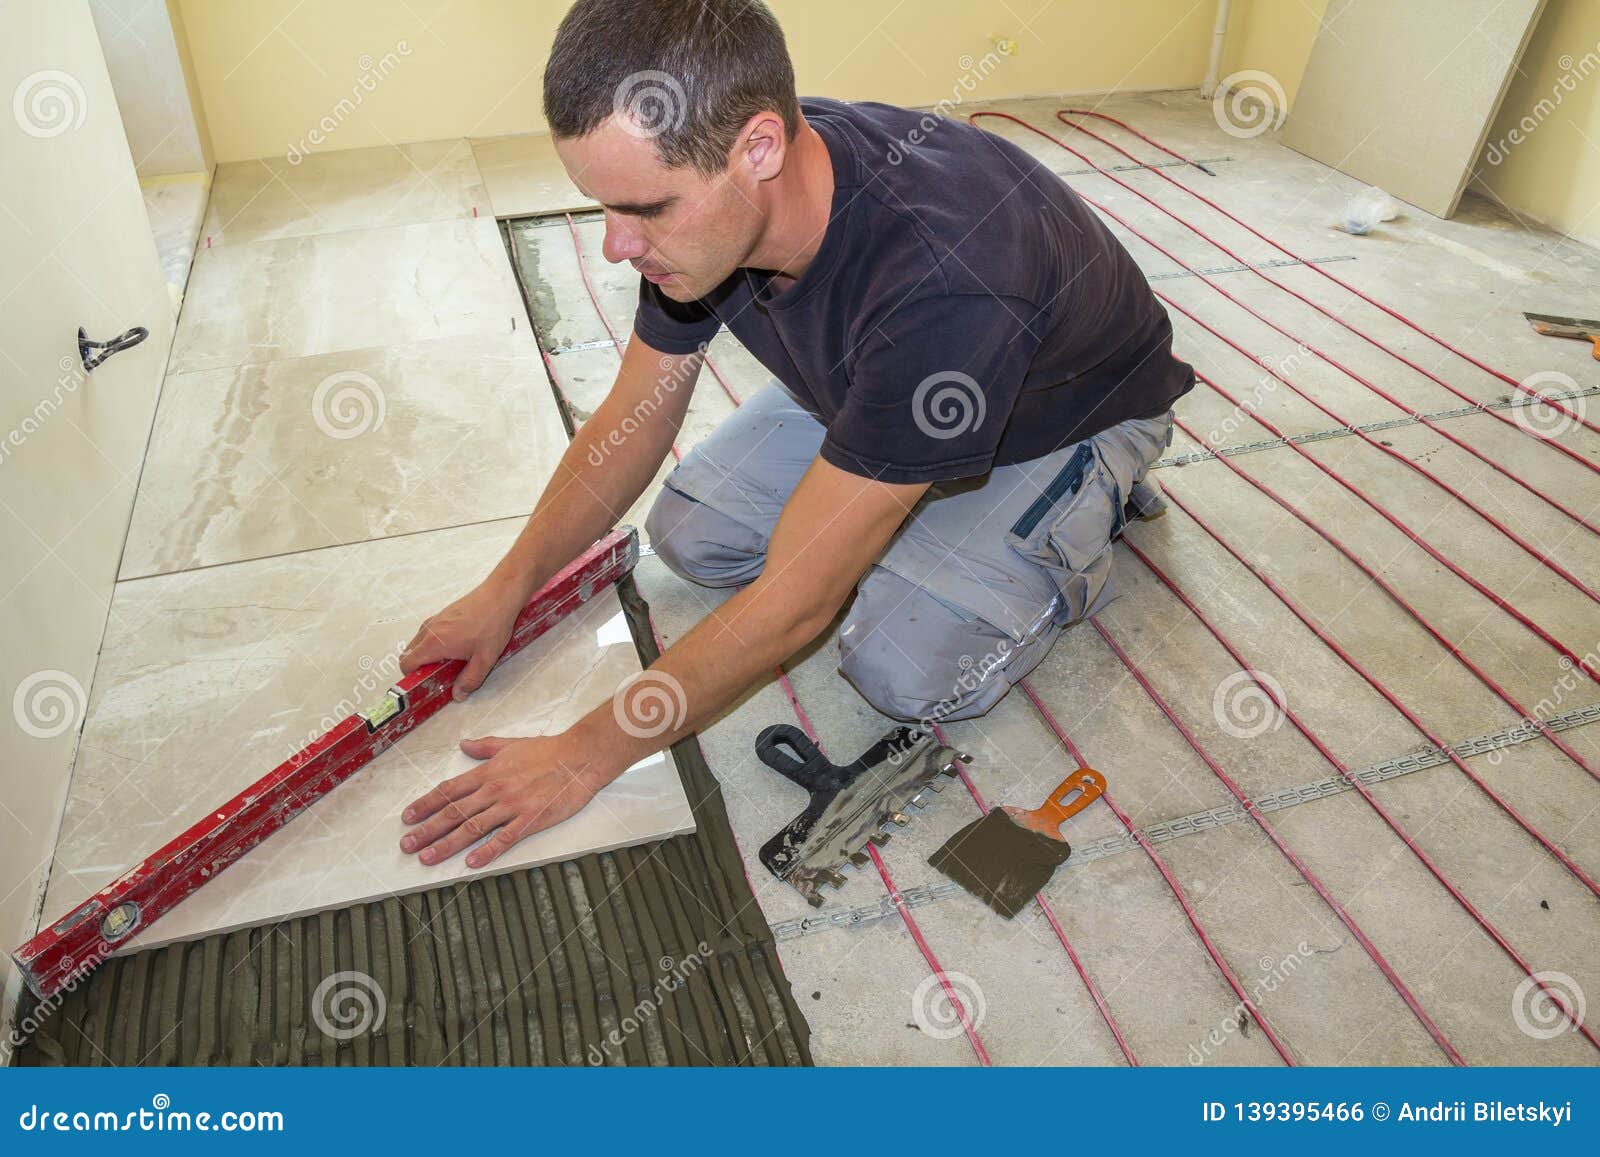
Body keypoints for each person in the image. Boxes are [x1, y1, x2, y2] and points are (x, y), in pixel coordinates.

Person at [395, 0, 1193, 870]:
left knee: (902, 669)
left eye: (646, 209)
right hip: (883, 382)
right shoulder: (716, 207)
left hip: (1062, 419)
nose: (618, 246)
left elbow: (798, 602)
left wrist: (585, 754)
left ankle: (1091, 509)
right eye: (604, 206)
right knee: (691, 535)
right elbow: (636, 411)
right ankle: (896, 478)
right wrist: (506, 586)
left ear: (760, 149)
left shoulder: (945, 279)